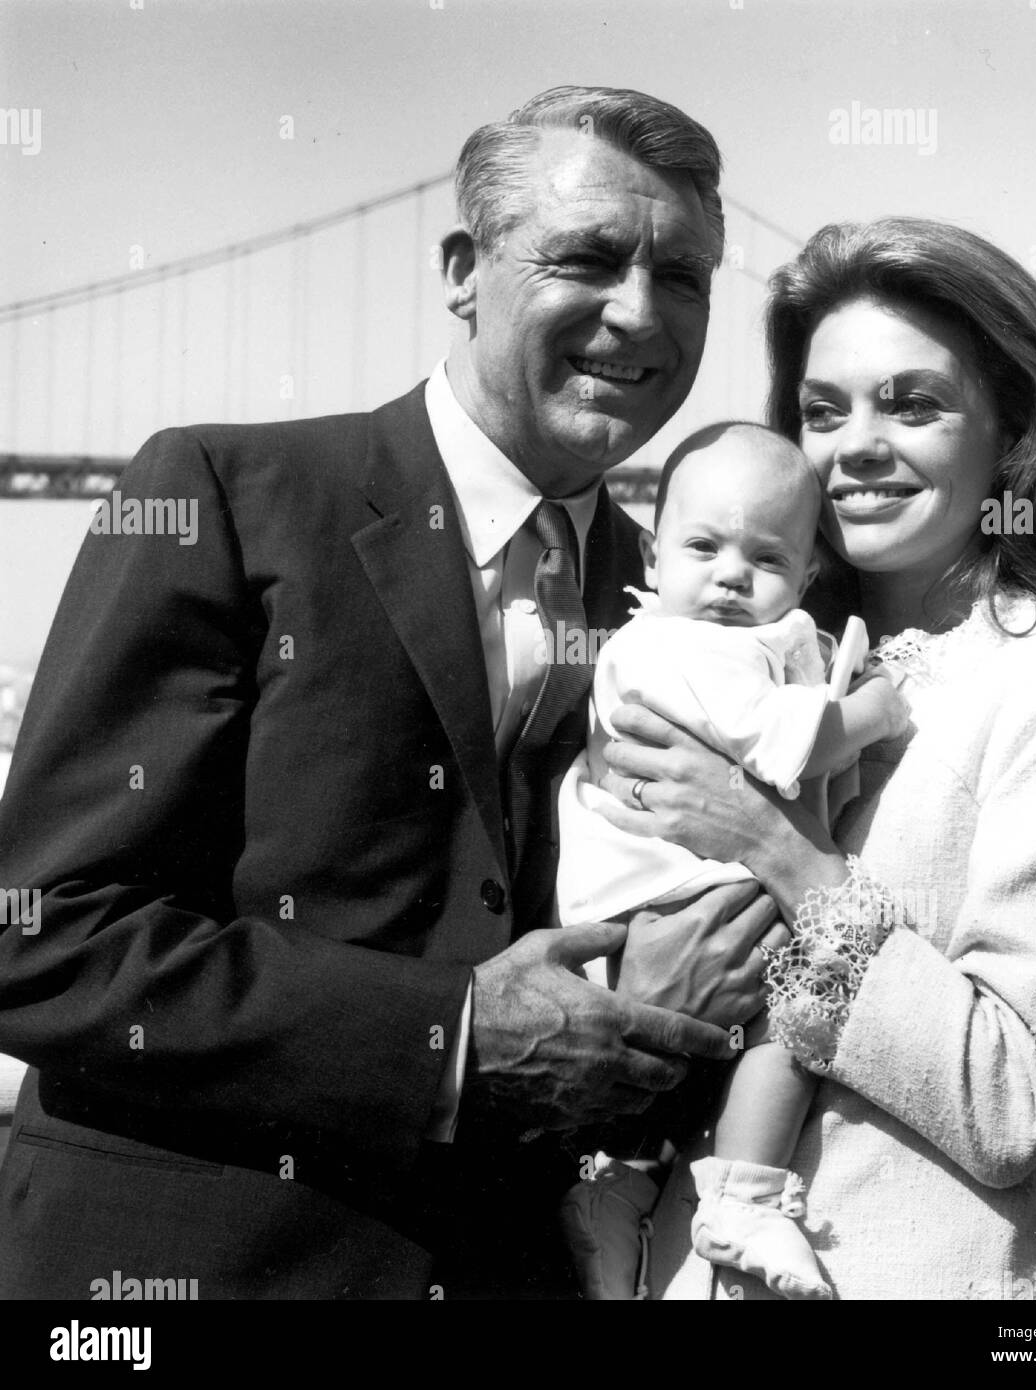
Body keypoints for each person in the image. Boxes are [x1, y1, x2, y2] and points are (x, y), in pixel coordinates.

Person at [0, 86, 788, 1301]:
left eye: (682, 277)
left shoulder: (689, 605)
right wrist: (455, 1034)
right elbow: (43, 934)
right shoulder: (225, 492)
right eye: (587, 258)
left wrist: (1027, 1003)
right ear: (465, 270)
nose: (639, 313)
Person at [598, 218, 1036, 1299]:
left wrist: (778, 851)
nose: (854, 444)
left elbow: (1009, 1105)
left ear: (1012, 433)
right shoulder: (744, 661)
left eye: (912, 403)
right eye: (822, 411)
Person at [557, 421, 906, 1298]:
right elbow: (788, 745)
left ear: (807, 574)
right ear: (654, 548)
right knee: (794, 1020)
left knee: (785, 1029)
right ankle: (723, 1200)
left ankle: (675, 1198)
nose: (730, 576)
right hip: (657, 903)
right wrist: (880, 712)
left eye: (767, 561)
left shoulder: (754, 642)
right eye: (704, 547)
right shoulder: (670, 646)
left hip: (688, 898)